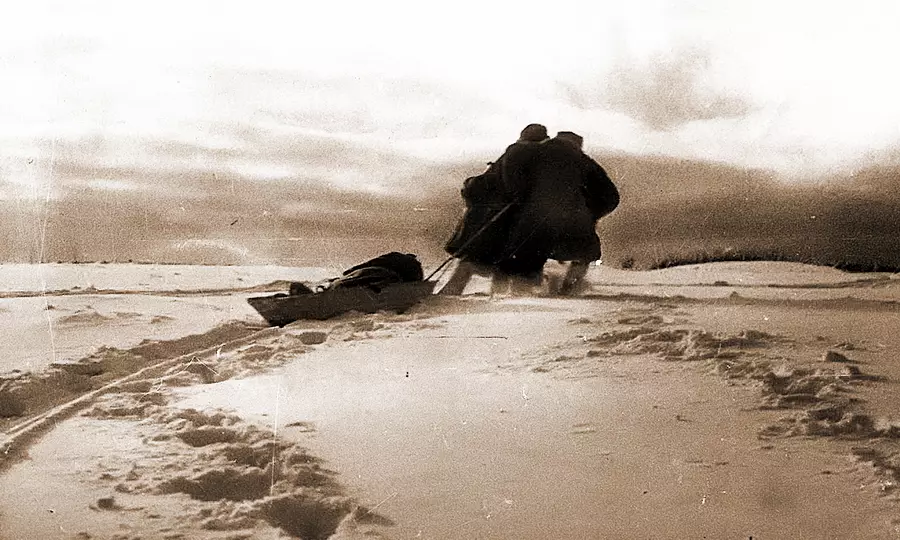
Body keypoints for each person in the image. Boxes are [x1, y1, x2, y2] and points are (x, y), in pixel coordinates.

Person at [497, 130, 619, 295]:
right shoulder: (583, 160)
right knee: (584, 253)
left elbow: (512, 176)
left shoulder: (533, 152)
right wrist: (591, 214)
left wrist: (521, 200)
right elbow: (611, 196)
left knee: (526, 255)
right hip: (574, 221)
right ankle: (569, 289)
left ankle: (522, 294)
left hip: (533, 218)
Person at [439, 124, 550, 295]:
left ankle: (482, 293)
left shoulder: (518, 152)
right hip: (495, 214)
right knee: (479, 258)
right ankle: (456, 292)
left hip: (492, 213)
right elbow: (513, 182)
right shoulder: (520, 152)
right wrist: (520, 198)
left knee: (490, 258)